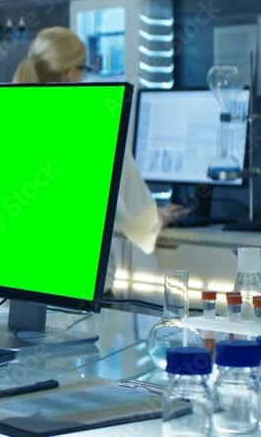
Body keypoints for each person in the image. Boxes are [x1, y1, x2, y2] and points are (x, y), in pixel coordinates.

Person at [12, 27, 188, 264]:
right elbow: (140, 225)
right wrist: (163, 216)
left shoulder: (12, 124)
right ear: (69, 74)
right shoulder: (94, 130)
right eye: (84, 69)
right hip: (77, 275)